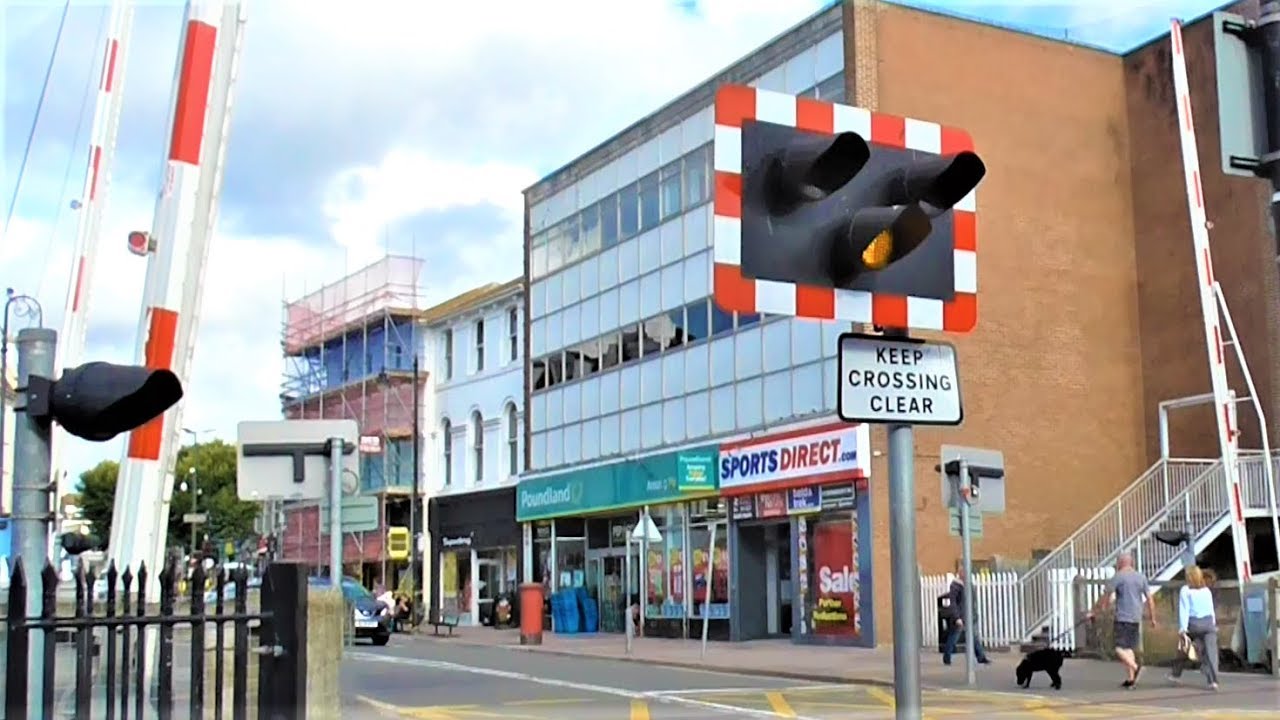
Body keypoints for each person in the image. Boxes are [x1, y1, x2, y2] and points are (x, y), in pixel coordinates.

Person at [1088, 553, 1156, 688]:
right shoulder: (1141, 577)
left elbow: (1107, 596)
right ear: (1132, 563)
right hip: (1136, 617)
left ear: (1120, 563)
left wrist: (1098, 610)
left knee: (1118, 648)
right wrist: (1153, 617)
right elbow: (1150, 598)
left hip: (1123, 617)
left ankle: (1136, 667)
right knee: (1129, 648)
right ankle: (1131, 679)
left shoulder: (1118, 576)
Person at [1168, 565, 1219, 690]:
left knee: (1184, 649)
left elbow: (1184, 610)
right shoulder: (1206, 590)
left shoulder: (1185, 590)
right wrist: (1213, 624)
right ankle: (1213, 681)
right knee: (1211, 652)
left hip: (1194, 624)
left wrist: (1182, 629)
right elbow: (1211, 609)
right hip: (1208, 623)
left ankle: (1176, 673)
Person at [942, 569, 991, 666]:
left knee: (974, 637)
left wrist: (974, 613)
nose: (965, 574)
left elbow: (973, 600)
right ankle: (947, 657)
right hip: (961, 616)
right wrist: (957, 617)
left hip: (970, 616)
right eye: (963, 572)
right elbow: (953, 603)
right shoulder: (955, 586)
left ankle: (981, 657)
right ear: (960, 574)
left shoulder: (969, 585)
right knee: (954, 637)